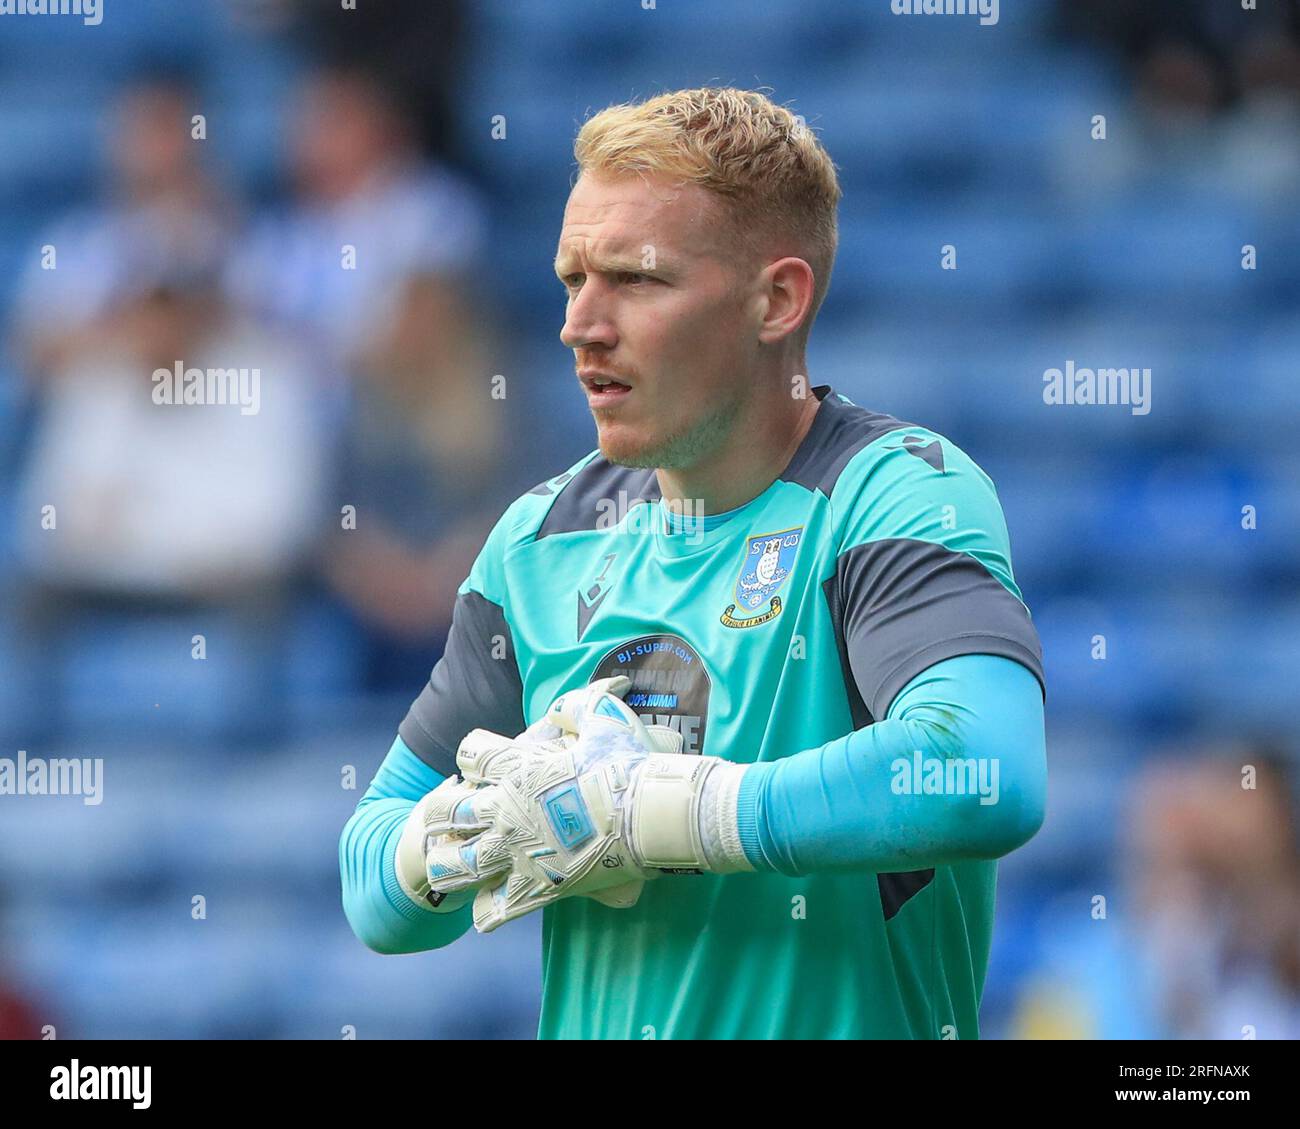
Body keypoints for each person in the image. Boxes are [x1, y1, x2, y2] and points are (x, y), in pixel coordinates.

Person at [340, 87, 1048, 1039]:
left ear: (778, 299)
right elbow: (371, 882)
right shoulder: (540, 540)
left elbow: (984, 773)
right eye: (570, 279)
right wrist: (469, 832)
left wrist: (665, 814)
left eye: (634, 279)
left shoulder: (891, 494)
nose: (581, 324)